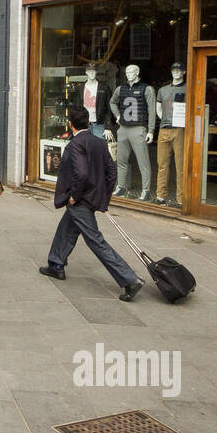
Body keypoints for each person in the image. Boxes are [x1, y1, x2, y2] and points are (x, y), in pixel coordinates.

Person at [41, 104, 145, 302]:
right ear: (88, 122)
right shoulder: (99, 142)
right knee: (66, 229)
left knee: (95, 240)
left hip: (80, 201)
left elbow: (81, 173)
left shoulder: (74, 145)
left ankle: (129, 279)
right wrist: (103, 197)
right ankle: (56, 264)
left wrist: (74, 197)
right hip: (90, 198)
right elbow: (112, 173)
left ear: (70, 124)